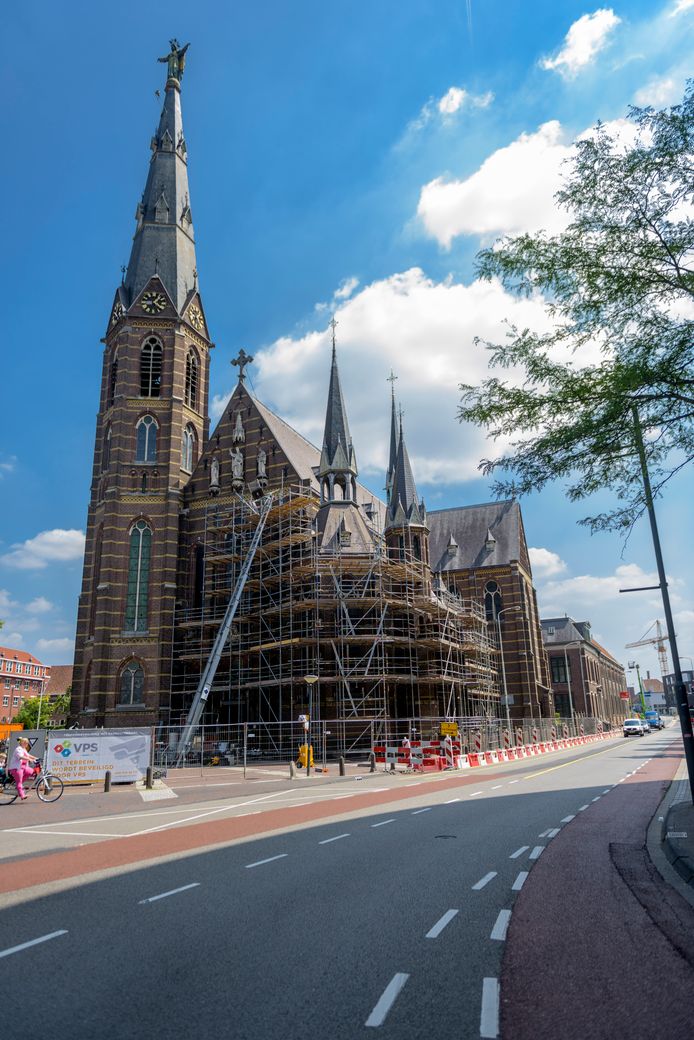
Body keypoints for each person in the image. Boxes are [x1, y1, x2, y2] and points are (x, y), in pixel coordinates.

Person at [9, 737, 37, 801]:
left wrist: (36, 758)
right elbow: (20, 756)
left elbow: (28, 755)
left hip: (24, 767)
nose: (26, 744)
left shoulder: (23, 749)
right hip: (17, 768)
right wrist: (29, 759)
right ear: (21, 743)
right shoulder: (18, 749)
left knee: (31, 771)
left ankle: (19, 785)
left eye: (27, 743)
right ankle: (22, 795)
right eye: (25, 742)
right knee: (19, 782)